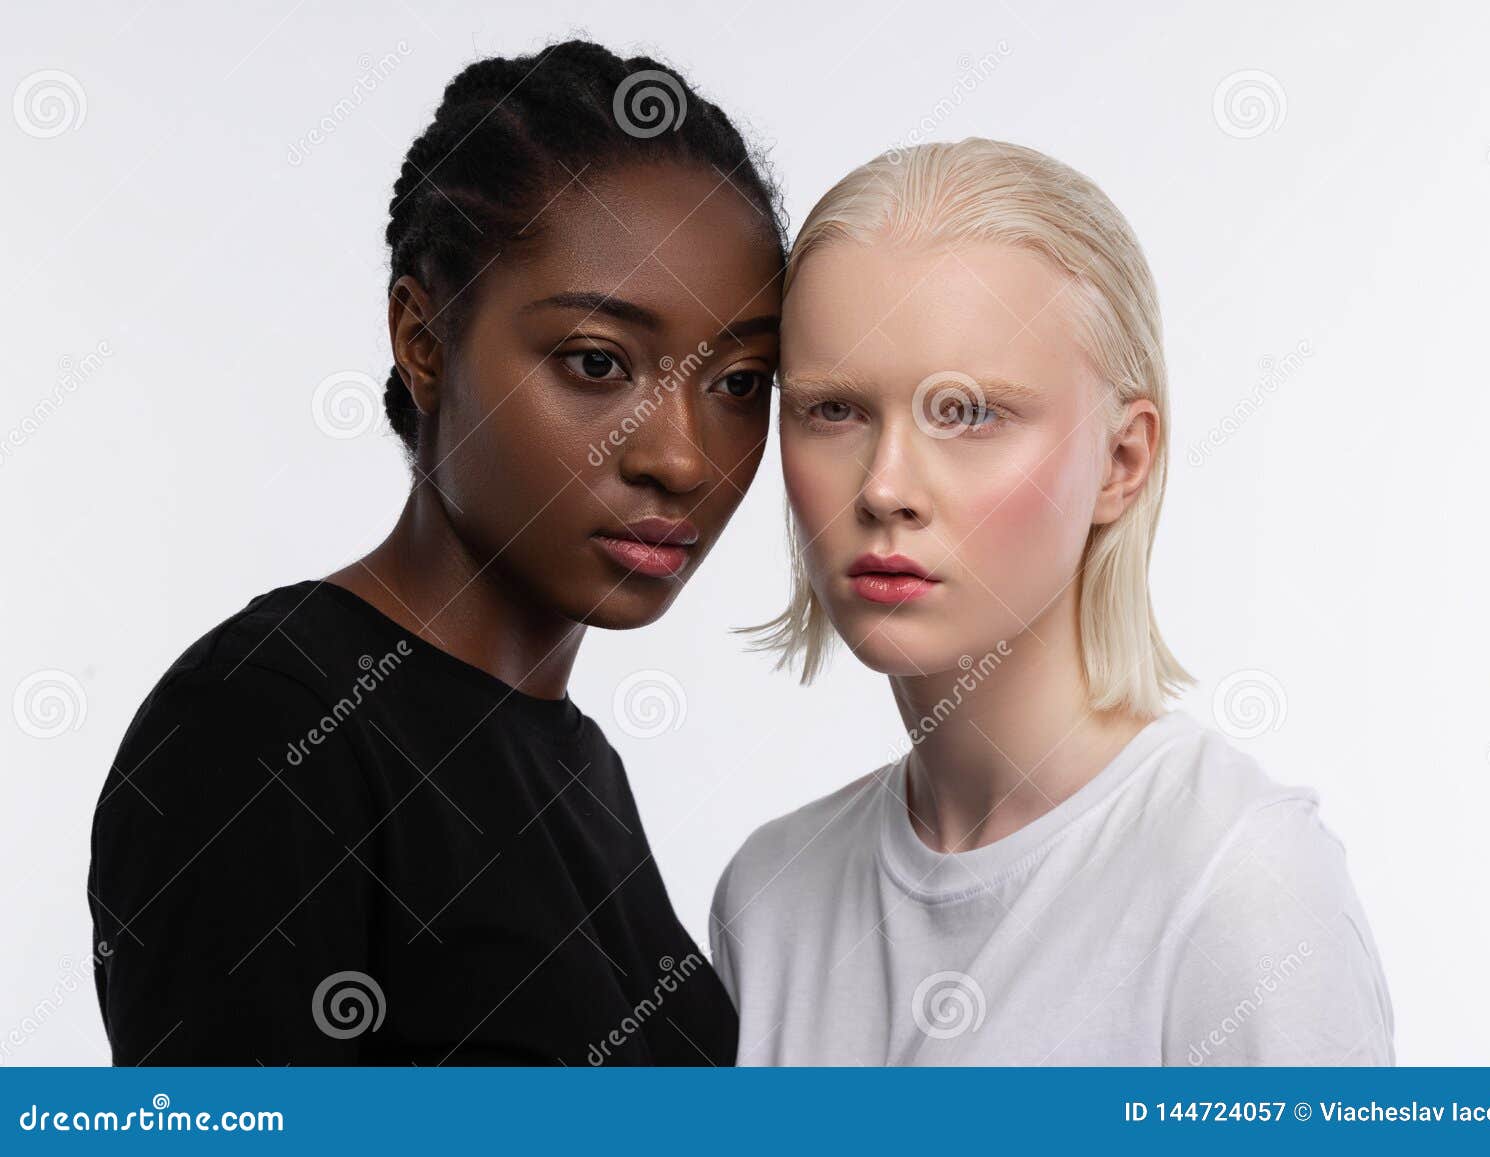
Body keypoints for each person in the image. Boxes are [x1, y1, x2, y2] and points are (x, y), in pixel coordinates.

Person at [88, 39, 785, 1065]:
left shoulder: (582, 767)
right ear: (422, 339)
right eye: (597, 362)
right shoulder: (265, 717)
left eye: (737, 381)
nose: (681, 458)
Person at [712, 138, 1393, 1065]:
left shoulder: (1238, 883)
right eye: (834, 409)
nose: (885, 487)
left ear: (1123, 460)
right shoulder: (770, 898)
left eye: (968, 413)